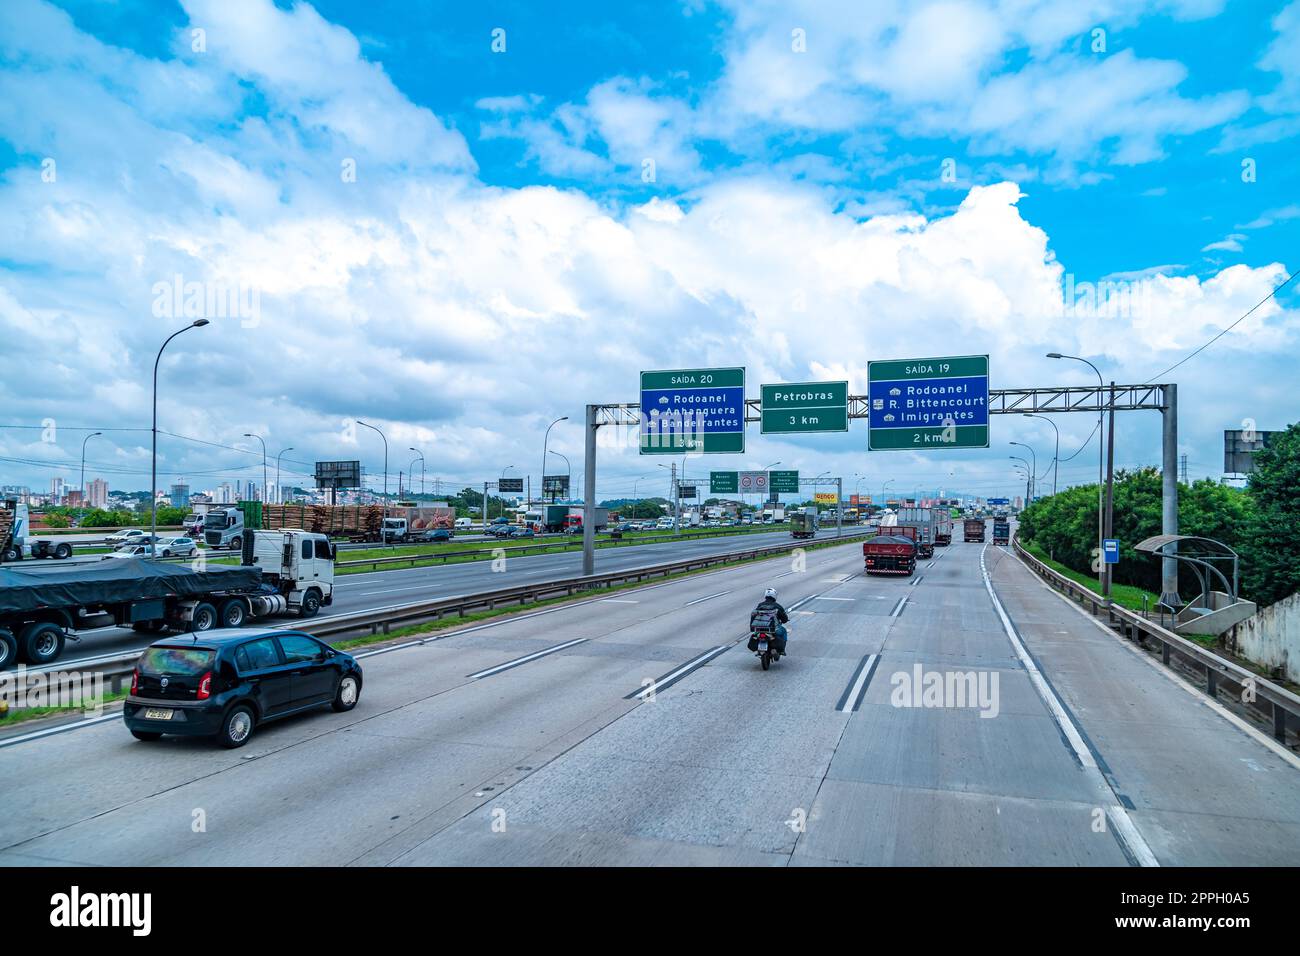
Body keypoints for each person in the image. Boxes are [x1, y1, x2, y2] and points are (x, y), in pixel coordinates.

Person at [748, 587, 790, 656]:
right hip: (773, 629)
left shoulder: (760, 605)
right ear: (774, 596)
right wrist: (784, 620)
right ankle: (782, 650)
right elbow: (784, 619)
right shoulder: (777, 606)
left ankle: (760, 650)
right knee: (784, 631)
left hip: (759, 629)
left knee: (755, 636)